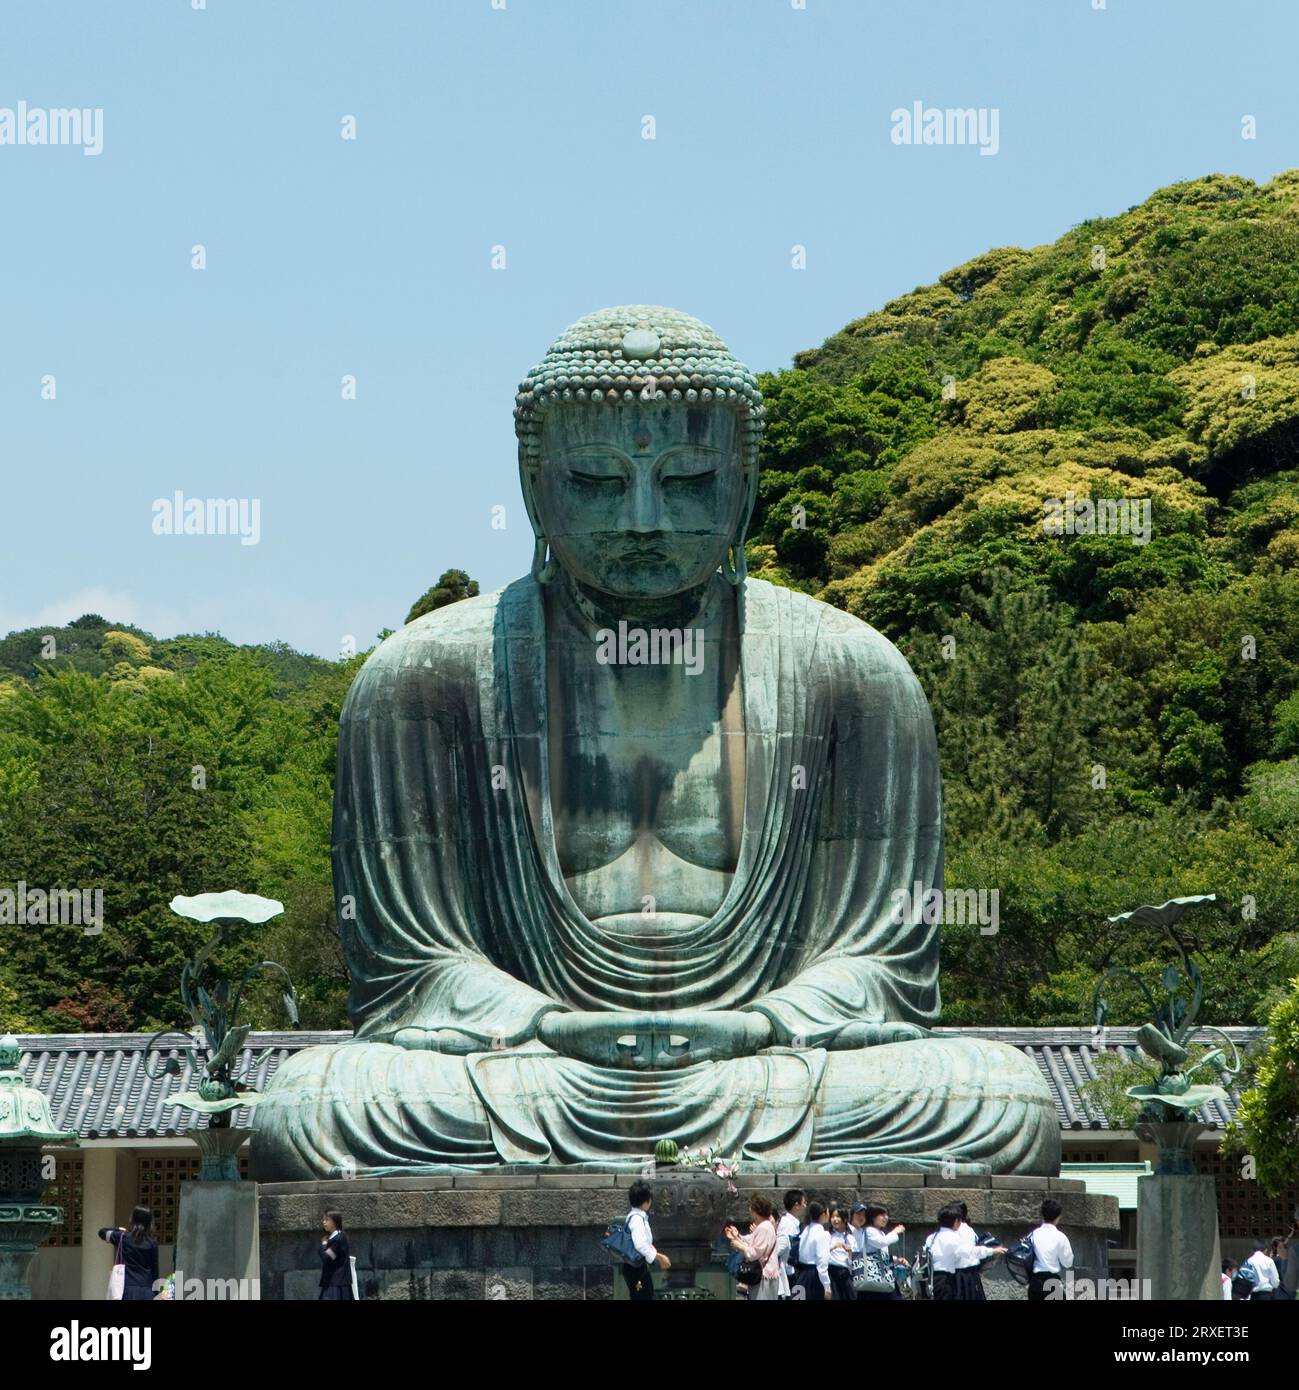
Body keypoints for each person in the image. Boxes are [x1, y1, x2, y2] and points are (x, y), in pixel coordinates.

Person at [726, 1194, 781, 1301]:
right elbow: (752, 1242)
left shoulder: (763, 1228)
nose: (750, 1213)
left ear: (756, 1212)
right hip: (766, 1276)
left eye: (751, 1210)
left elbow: (754, 1253)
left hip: (763, 1276)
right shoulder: (766, 1226)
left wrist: (739, 1245)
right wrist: (737, 1236)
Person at [98, 1205, 159, 1302]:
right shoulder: (152, 1244)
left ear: (133, 1219)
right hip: (147, 1290)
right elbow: (155, 1271)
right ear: (148, 1222)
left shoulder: (122, 1237)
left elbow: (102, 1232)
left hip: (126, 1289)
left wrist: (118, 1229)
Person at [623, 1180, 671, 1301]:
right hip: (636, 1268)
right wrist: (659, 1257)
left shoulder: (637, 1217)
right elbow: (640, 1244)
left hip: (636, 1266)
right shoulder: (637, 1219)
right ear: (646, 1201)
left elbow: (645, 1242)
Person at [855, 1201, 906, 1301]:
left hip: (881, 1276)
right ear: (872, 1216)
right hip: (873, 1277)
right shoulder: (869, 1230)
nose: (885, 1218)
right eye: (882, 1215)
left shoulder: (880, 1232)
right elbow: (881, 1243)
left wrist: (896, 1260)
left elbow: (881, 1254)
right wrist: (895, 1232)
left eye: (886, 1215)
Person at [1026, 1197, 1073, 1302]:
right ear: (1058, 1217)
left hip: (1035, 1282)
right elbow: (1068, 1263)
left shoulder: (1033, 1234)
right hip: (1052, 1282)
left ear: (1042, 1215)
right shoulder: (1061, 1237)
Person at [795, 1201, 833, 1301]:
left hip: (801, 1274)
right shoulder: (823, 1234)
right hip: (814, 1277)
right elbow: (822, 1263)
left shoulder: (806, 1229)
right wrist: (826, 1285)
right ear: (823, 1214)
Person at [776, 1189, 805, 1299]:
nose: (805, 1206)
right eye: (804, 1203)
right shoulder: (788, 1224)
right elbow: (786, 1249)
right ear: (797, 1205)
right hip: (789, 1274)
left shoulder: (792, 1223)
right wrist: (791, 1272)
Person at [319, 1210, 354, 1300]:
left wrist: (323, 1244)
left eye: (327, 1220)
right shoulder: (336, 1237)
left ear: (335, 1221)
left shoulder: (337, 1239)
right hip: (335, 1282)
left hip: (336, 1283)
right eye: (323, 1220)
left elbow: (327, 1258)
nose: (324, 1222)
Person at [827, 1206, 857, 1302]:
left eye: (838, 1217)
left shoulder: (851, 1238)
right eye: (832, 1217)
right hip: (831, 1272)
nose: (835, 1220)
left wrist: (850, 1252)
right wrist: (833, 1247)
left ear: (845, 1219)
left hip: (846, 1273)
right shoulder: (827, 1235)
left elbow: (853, 1262)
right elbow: (821, 1254)